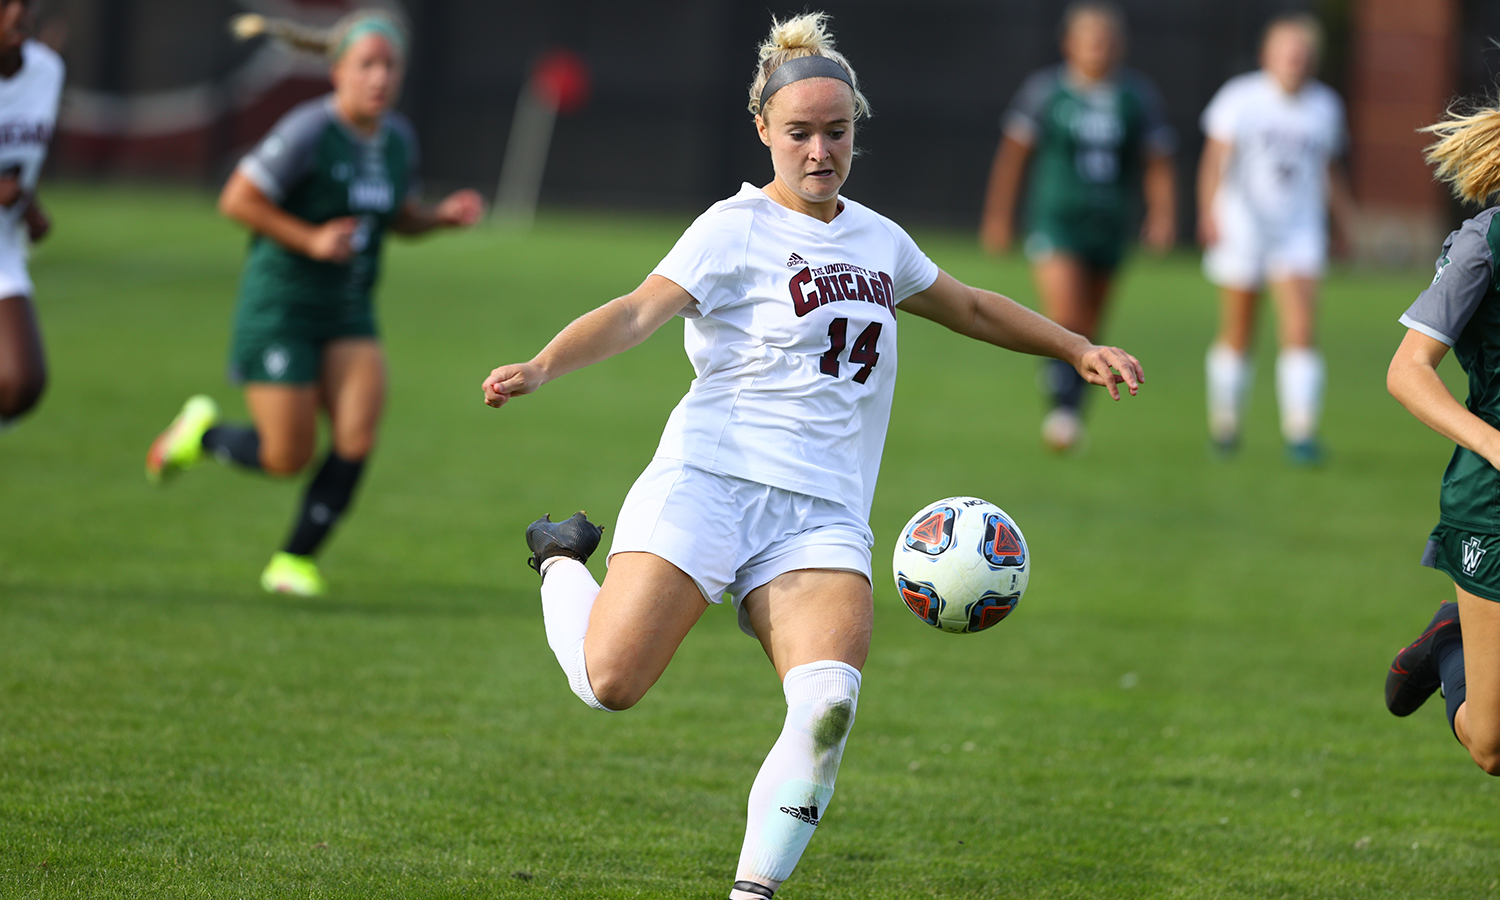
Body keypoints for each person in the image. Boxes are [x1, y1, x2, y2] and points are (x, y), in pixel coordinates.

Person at [482, 13, 1143, 898]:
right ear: (764, 130)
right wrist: (542, 365)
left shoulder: (878, 239)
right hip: (709, 484)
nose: (821, 151)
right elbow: (638, 310)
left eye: (837, 133)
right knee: (610, 684)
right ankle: (562, 561)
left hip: (823, 514)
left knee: (828, 706)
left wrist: (1074, 347)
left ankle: (752, 893)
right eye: (800, 133)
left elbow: (975, 306)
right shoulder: (731, 228)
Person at [145, 9, 484, 595]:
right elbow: (237, 198)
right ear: (337, 72)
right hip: (282, 308)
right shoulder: (308, 129)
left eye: (390, 66)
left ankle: (293, 562)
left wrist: (440, 218)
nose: (379, 78)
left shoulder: (398, 138)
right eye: (366, 65)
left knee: (358, 435)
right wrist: (310, 238)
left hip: (349, 309)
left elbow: (397, 216)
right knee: (287, 456)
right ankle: (200, 437)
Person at [978, 0, 1174, 453]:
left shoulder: (1135, 97)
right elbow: (1014, 156)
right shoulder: (1046, 92)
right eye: (1090, 41)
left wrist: (1162, 215)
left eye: (1106, 41)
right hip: (1056, 220)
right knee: (1065, 316)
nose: (1099, 50)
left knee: (1089, 325)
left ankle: (1071, 408)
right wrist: (998, 216)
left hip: (1109, 224)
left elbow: (1158, 161)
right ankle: (1062, 413)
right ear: (1069, 45)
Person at [1383, 101, 1500, 777]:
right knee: (1491, 744)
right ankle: (1449, 642)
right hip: (1492, 497)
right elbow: (1407, 372)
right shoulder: (1485, 242)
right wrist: (1493, 444)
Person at [1197, 12, 1356, 464]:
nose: (1295, 61)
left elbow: (1328, 170)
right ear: (1268, 55)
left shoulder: (1325, 105)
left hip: (1298, 230)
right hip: (1244, 225)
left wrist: (1344, 220)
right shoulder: (1241, 98)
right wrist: (1210, 211)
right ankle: (1225, 425)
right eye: (1288, 52)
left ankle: (1300, 431)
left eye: (1303, 54)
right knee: (1238, 329)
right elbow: (1215, 160)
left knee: (1302, 328)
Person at [0, 0, 62, 429]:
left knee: (22, 383)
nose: (18, 13)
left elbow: (24, 159)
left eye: (25, 2)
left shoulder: (47, 71)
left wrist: (30, 207)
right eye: (4, 5)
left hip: (2, 245)